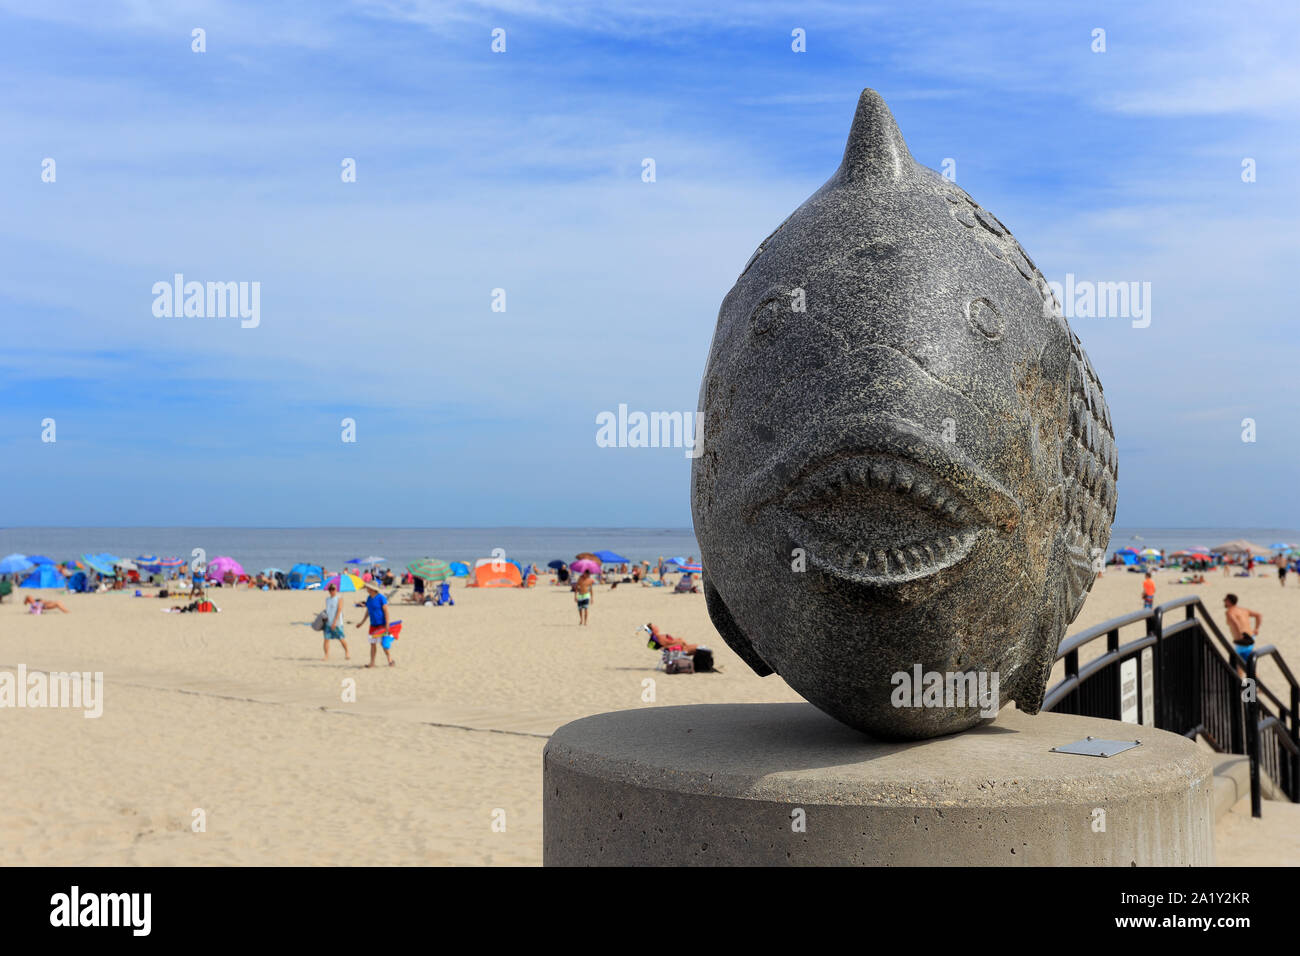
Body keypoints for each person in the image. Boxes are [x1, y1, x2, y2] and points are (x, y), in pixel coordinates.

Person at [356, 580, 395, 667]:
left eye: (368, 587)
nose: (367, 588)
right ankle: (372, 662)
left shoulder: (381, 598)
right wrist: (362, 622)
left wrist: (387, 624)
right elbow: (368, 611)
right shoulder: (369, 598)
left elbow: (386, 611)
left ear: (372, 589)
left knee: (383, 644)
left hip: (382, 624)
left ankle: (390, 660)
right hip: (373, 625)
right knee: (372, 644)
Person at [1223, 594, 1262, 677]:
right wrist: (1256, 628)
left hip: (1242, 641)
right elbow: (1258, 615)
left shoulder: (1229, 612)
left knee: (1246, 666)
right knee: (1240, 665)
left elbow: (1235, 622)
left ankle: (1257, 687)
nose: (1224, 602)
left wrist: (1241, 634)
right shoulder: (1243, 610)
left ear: (1229, 601)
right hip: (1249, 637)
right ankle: (1240, 686)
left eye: (1225, 600)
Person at [323, 582, 349, 661]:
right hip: (328, 622)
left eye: (333, 589)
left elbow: (339, 610)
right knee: (326, 639)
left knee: (341, 638)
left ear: (336, 590)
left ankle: (347, 652)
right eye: (330, 589)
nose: (331, 591)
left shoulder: (339, 598)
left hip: (337, 623)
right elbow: (328, 610)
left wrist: (335, 622)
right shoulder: (327, 599)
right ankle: (326, 655)